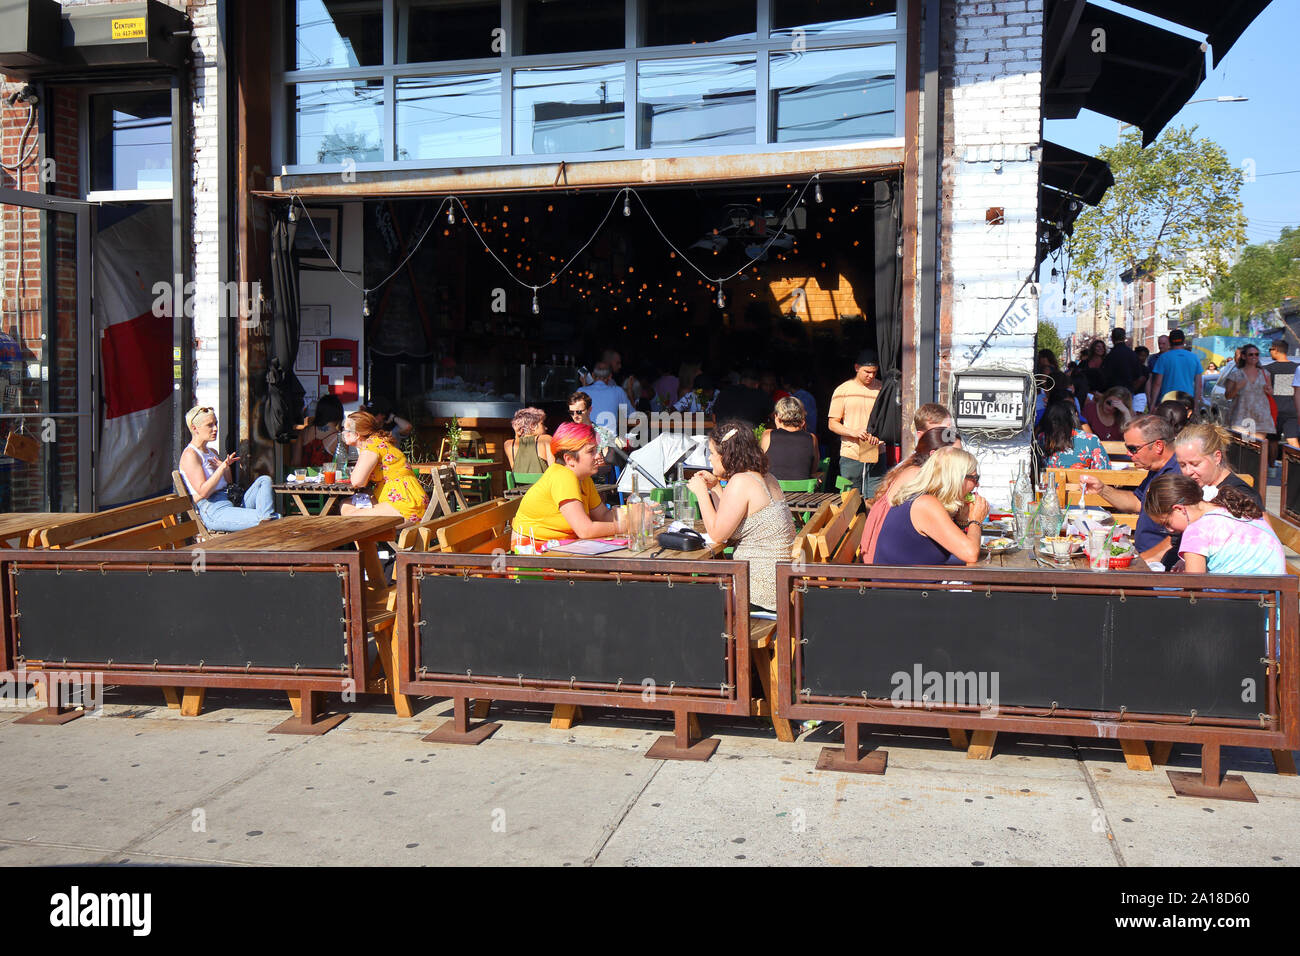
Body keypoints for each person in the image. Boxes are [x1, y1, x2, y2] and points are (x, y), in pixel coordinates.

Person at [687, 421, 796, 612]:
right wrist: (716, 488)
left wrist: (701, 493)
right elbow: (733, 518)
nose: (710, 459)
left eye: (712, 453)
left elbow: (717, 534)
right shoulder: (764, 477)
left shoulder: (741, 482)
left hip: (758, 594)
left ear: (726, 454)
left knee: (687, 599)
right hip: (776, 585)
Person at [1078, 415, 1180, 561]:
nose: (1128, 453)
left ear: (1158, 446)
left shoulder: (1179, 473)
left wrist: (1140, 562)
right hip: (1140, 555)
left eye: (1133, 448)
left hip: (1159, 566)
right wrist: (1102, 489)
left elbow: (1178, 538)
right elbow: (1138, 502)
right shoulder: (1156, 469)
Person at [1144, 474, 1283, 576]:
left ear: (1179, 509)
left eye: (1167, 523)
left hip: (1247, 607)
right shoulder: (1230, 507)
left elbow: (1193, 590)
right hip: (1271, 600)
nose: (1169, 530)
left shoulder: (1195, 530)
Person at [870, 447, 989, 566]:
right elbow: (970, 553)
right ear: (957, 478)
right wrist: (975, 521)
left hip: (914, 579)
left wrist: (961, 521)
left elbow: (953, 545)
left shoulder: (925, 499)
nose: (977, 484)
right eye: (974, 478)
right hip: (902, 582)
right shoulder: (925, 504)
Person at [859, 426, 962, 563]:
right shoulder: (917, 475)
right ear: (934, 455)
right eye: (957, 454)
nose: (962, 460)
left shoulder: (915, 469)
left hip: (892, 557)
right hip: (881, 563)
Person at [514, 422, 625, 543]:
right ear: (569, 459)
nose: (598, 456)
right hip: (532, 550)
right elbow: (585, 531)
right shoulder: (563, 476)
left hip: (557, 547)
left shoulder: (583, 478)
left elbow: (603, 515)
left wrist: (635, 516)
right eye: (591, 451)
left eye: (597, 449)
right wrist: (628, 526)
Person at [179, 405, 279, 531]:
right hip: (214, 510)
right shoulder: (190, 455)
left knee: (264, 480)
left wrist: (225, 468)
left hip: (231, 501)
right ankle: (267, 521)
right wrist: (222, 468)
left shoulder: (212, 452)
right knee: (276, 520)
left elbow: (229, 483)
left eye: (216, 423)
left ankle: (266, 519)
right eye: (210, 425)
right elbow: (203, 492)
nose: (215, 428)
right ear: (195, 428)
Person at [339, 410, 428, 522]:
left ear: (357, 435)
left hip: (404, 505)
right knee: (346, 505)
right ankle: (369, 539)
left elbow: (357, 482)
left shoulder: (371, 446)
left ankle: (369, 539)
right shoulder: (378, 441)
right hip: (412, 499)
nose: (343, 433)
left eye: (345, 430)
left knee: (350, 515)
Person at [828, 350, 885, 496]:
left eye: (874, 372)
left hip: (877, 450)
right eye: (867, 371)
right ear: (856, 368)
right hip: (851, 452)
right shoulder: (843, 390)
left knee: (875, 498)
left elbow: (890, 420)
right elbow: (832, 423)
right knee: (851, 499)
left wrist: (880, 435)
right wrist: (853, 432)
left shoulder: (883, 388)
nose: (871, 376)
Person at [1173, 423, 1263, 508]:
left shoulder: (1241, 494)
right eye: (1182, 465)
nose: (1188, 472)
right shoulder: (1192, 488)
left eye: (1195, 464)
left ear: (1217, 457)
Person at [1221, 343, 1273, 440]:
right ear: (1244, 356)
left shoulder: (1265, 373)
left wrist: (1269, 391)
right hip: (1241, 415)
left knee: (1258, 447)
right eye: (1251, 354)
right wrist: (1236, 388)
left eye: (1256, 354)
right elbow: (1227, 396)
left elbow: (1270, 392)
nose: (1254, 357)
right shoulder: (1235, 375)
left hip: (1261, 415)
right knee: (1243, 446)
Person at [761, 397, 820, 481]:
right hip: (802, 493)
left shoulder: (768, 435)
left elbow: (761, 466)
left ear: (777, 417)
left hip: (774, 492)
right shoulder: (811, 438)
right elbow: (813, 471)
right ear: (802, 418)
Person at [1040, 402, 1110, 469]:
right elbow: (1104, 469)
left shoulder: (1042, 437)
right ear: (1075, 416)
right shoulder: (1090, 439)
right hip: (1081, 480)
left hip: (1049, 480)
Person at [1148, 329, 1202, 407]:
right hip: (1187, 400)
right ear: (1184, 341)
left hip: (1168, 400)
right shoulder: (1194, 358)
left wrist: (1152, 405)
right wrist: (1196, 406)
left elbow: (1157, 384)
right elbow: (1199, 385)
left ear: (1170, 342)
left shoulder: (1164, 358)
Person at [579, 362, 633, 436]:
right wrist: (630, 391)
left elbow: (578, 417)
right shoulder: (618, 391)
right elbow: (632, 416)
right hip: (609, 443)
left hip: (587, 440)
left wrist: (584, 386)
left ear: (593, 375)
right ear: (610, 377)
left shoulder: (581, 391)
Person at [293, 393, 344, 467]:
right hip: (328, 477)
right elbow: (342, 467)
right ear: (338, 413)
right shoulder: (340, 438)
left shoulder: (304, 433)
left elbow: (295, 462)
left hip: (305, 477)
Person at [1268, 339, 1297, 455]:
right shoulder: (1297, 368)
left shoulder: (1268, 369)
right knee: (1292, 439)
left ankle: (1272, 468)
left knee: (1272, 441)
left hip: (1274, 411)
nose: (1270, 352)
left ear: (1275, 350)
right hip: (1293, 410)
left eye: (1270, 349)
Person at [505, 407, 554, 475]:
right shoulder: (546, 439)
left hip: (520, 486)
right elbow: (554, 471)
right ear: (533, 426)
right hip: (542, 485)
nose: (546, 427)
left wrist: (517, 434)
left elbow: (516, 471)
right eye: (542, 424)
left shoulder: (509, 445)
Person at [1102, 327, 1145, 395]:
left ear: (1112, 338)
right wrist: (1131, 390)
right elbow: (1139, 377)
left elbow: (1104, 377)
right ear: (1124, 337)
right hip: (1128, 392)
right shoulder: (1132, 354)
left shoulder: (1110, 356)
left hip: (1113, 392)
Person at [1133, 346, 1151, 412]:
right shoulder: (1131, 367)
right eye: (1140, 355)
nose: (1142, 358)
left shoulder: (1145, 369)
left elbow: (1144, 384)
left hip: (1139, 396)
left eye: (1144, 356)